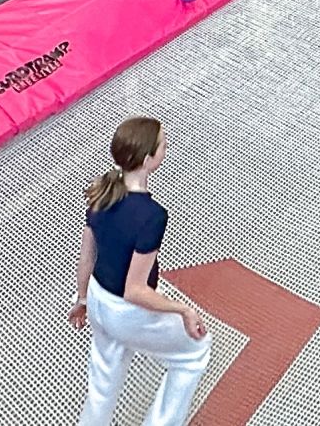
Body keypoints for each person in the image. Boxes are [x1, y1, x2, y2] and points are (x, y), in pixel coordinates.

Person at [71, 116, 212, 426]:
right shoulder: (151, 216)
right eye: (162, 144)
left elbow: (86, 259)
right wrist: (183, 310)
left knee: (102, 383)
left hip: (97, 299)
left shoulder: (101, 195)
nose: (165, 147)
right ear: (149, 160)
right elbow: (135, 290)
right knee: (194, 352)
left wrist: (82, 301)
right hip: (127, 311)